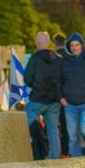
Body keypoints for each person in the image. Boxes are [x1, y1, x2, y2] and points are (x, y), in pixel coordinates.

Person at [23, 30, 63, 160]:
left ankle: (16, 153)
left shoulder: (34, 58)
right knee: (53, 130)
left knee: (21, 125)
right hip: (54, 101)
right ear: (49, 43)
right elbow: (63, 78)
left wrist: (37, 86)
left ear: (36, 43)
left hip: (37, 99)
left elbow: (27, 78)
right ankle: (54, 157)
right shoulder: (58, 58)